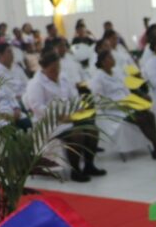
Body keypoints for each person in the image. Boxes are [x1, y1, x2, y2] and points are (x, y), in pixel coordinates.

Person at [24, 49, 104, 182]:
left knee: (92, 130)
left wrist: (79, 108)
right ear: (44, 68)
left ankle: (89, 165)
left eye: (58, 68)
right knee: (76, 135)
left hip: (70, 117)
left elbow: (74, 96)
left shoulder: (63, 77)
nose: (56, 72)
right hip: (50, 123)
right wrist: (58, 116)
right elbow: (37, 108)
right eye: (52, 70)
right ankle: (75, 170)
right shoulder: (36, 84)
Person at [89, 50, 156, 161]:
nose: (113, 59)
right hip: (114, 110)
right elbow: (100, 102)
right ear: (103, 62)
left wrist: (135, 101)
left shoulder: (117, 73)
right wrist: (120, 105)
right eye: (110, 58)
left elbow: (127, 91)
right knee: (141, 119)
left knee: (150, 115)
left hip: (128, 104)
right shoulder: (98, 79)